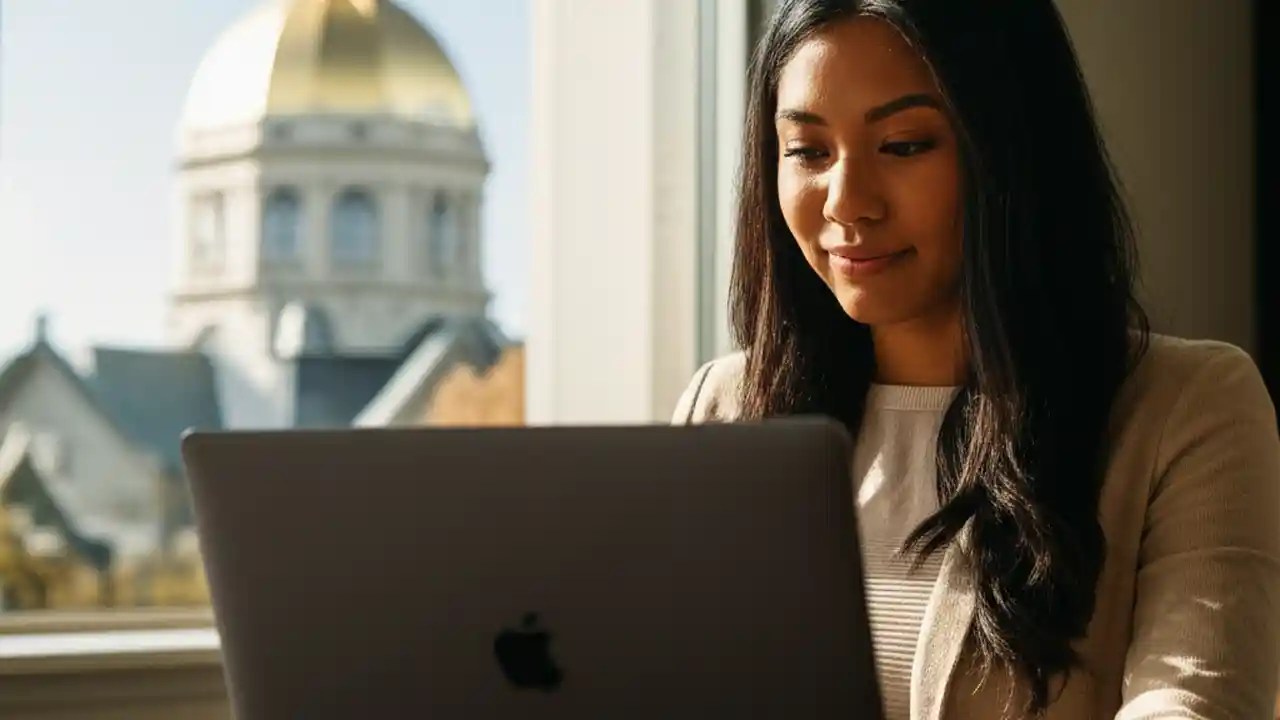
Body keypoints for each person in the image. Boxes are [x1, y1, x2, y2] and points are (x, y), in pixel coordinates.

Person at [672, 1, 1280, 718]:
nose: (847, 203)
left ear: (1013, 150)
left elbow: (1195, 701)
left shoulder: (1185, 407)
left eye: (902, 145)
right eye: (808, 152)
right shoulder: (729, 405)